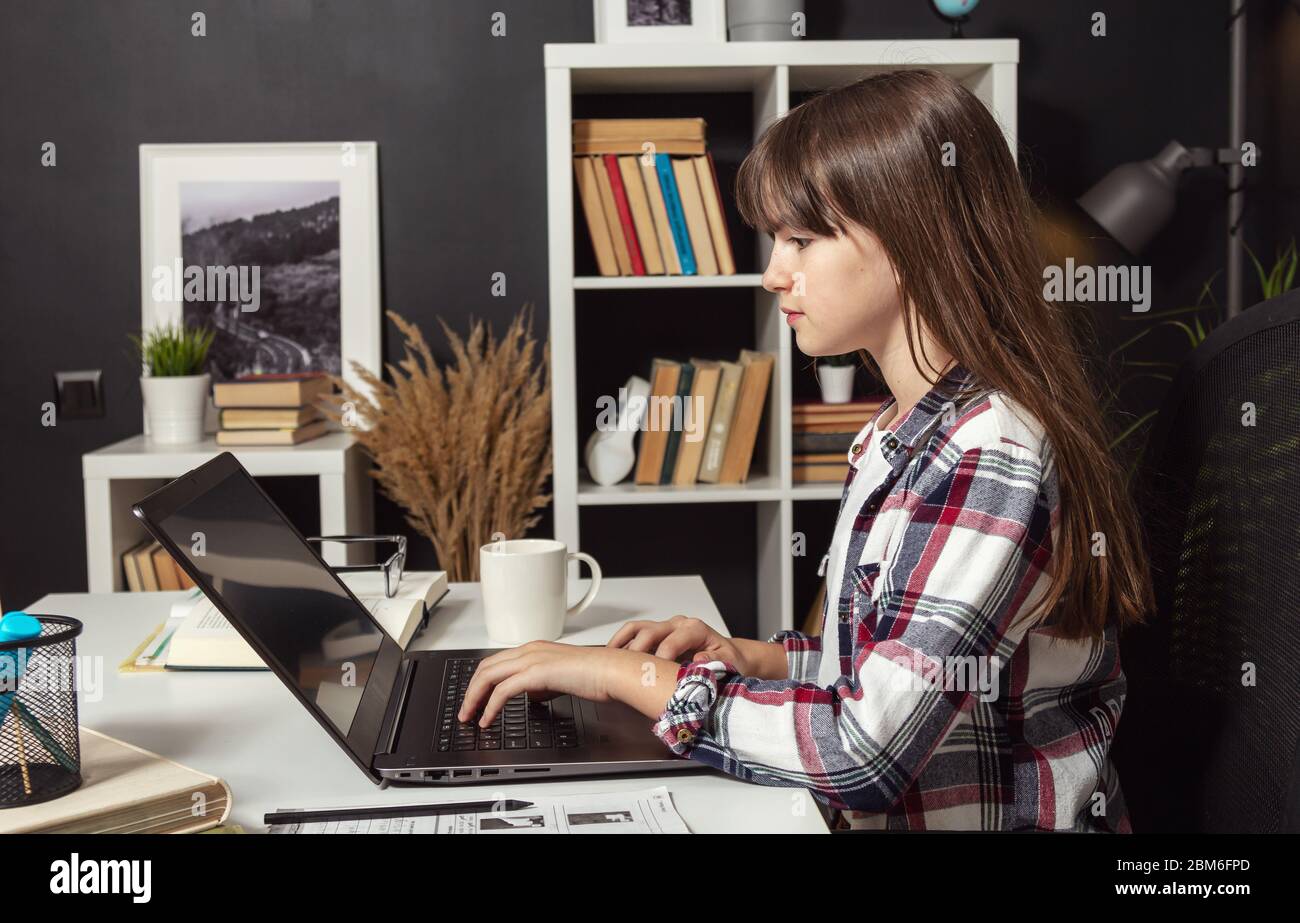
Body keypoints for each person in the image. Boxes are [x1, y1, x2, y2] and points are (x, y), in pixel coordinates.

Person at [458, 69, 1153, 831]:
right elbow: (885, 674)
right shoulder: (896, 433)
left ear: (915, 236)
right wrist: (754, 658)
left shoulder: (990, 453)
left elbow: (864, 752)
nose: (772, 273)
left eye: (802, 239)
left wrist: (624, 674)